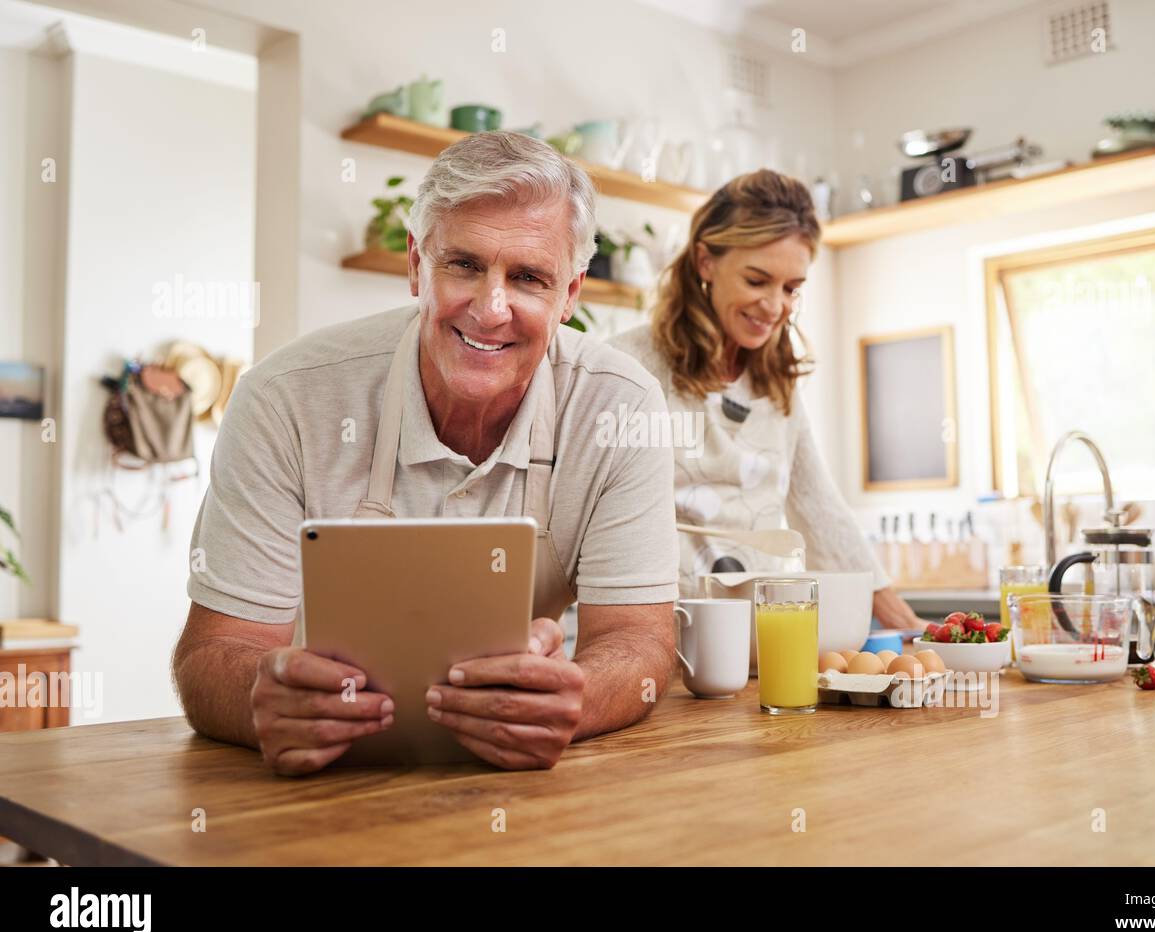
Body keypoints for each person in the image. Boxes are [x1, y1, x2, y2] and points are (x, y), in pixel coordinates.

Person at [172, 131, 680, 775]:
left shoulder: (622, 409)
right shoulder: (283, 401)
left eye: (527, 277)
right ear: (416, 265)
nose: (491, 309)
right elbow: (212, 653)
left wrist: (573, 704)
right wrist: (258, 700)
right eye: (463, 265)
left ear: (571, 296)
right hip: (322, 784)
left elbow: (637, 640)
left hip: (518, 789)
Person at [609, 169, 925, 631]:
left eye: (791, 288)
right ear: (705, 262)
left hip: (761, 643)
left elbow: (818, 508)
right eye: (757, 281)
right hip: (654, 643)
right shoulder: (626, 368)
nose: (776, 306)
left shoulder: (777, 384)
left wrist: (908, 625)